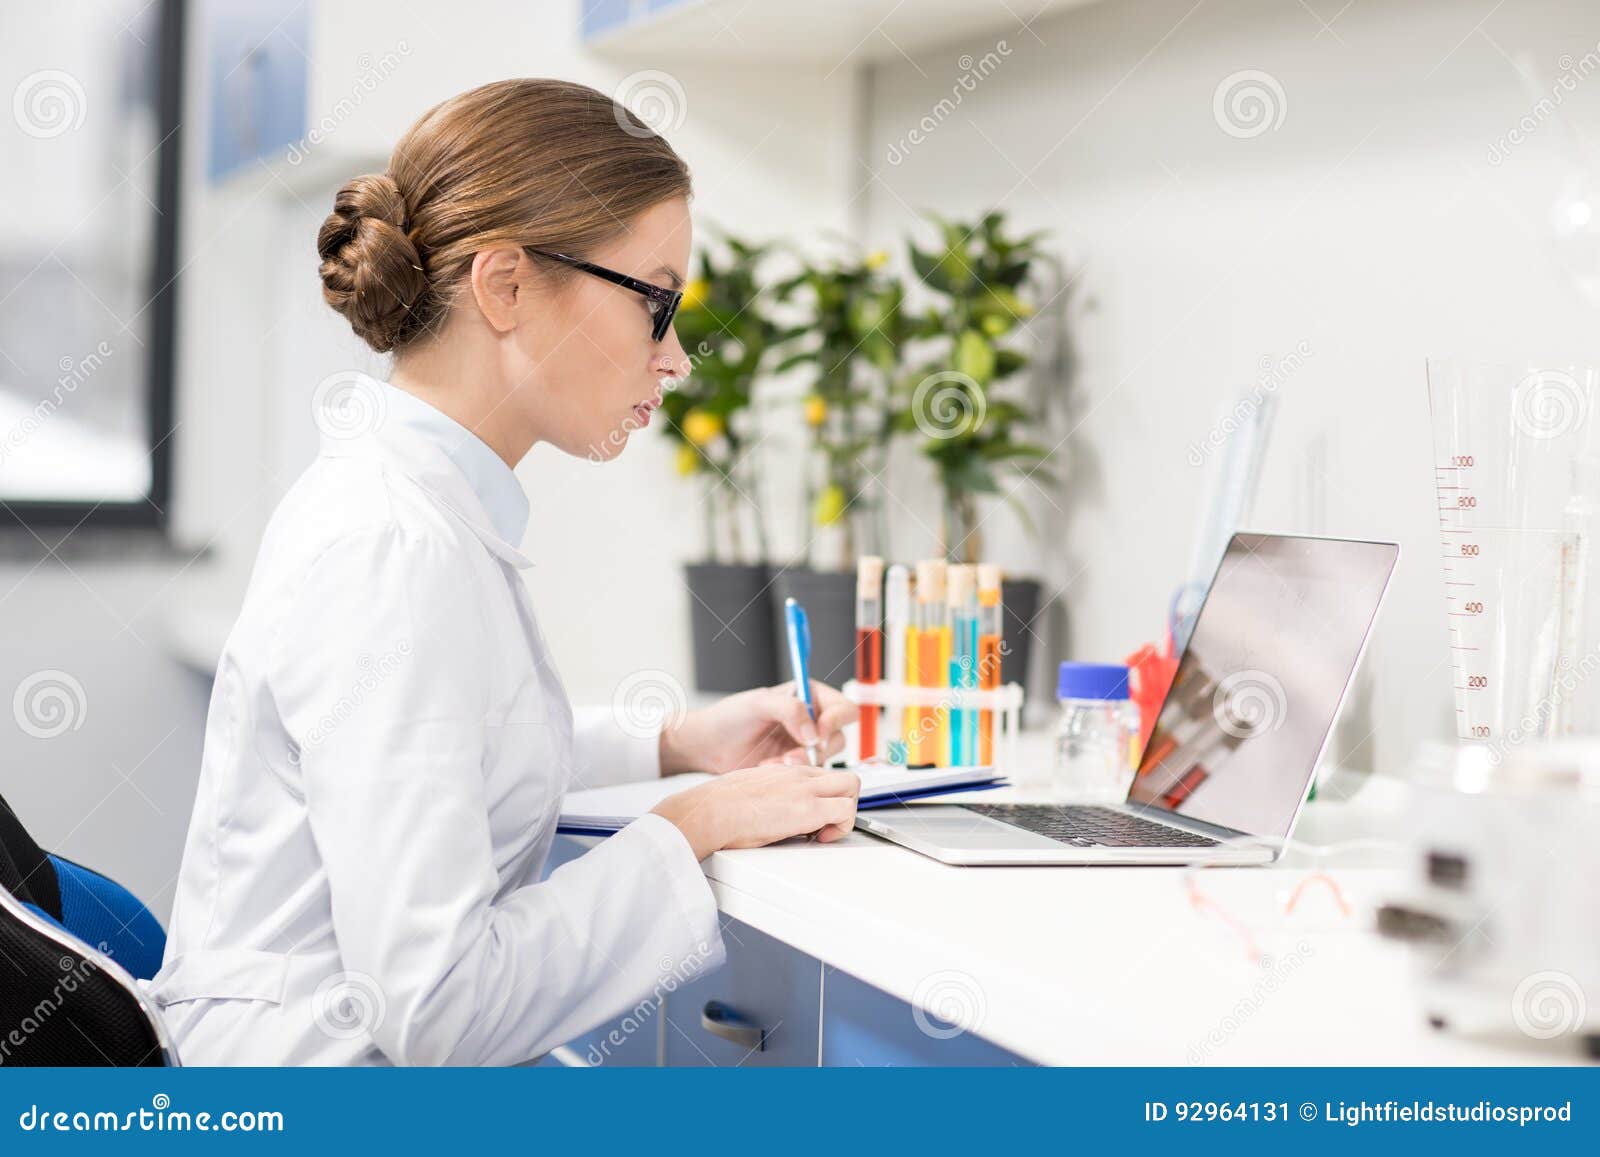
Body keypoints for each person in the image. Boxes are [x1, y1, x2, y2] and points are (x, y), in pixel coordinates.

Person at [147, 78, 860, 1066]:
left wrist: (678, 743)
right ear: (506, 286)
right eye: (656, 303)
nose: (678, 360)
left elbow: (452, 754)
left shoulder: (415, 507)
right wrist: (690, 826)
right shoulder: (392, 547)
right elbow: (437, 1010)